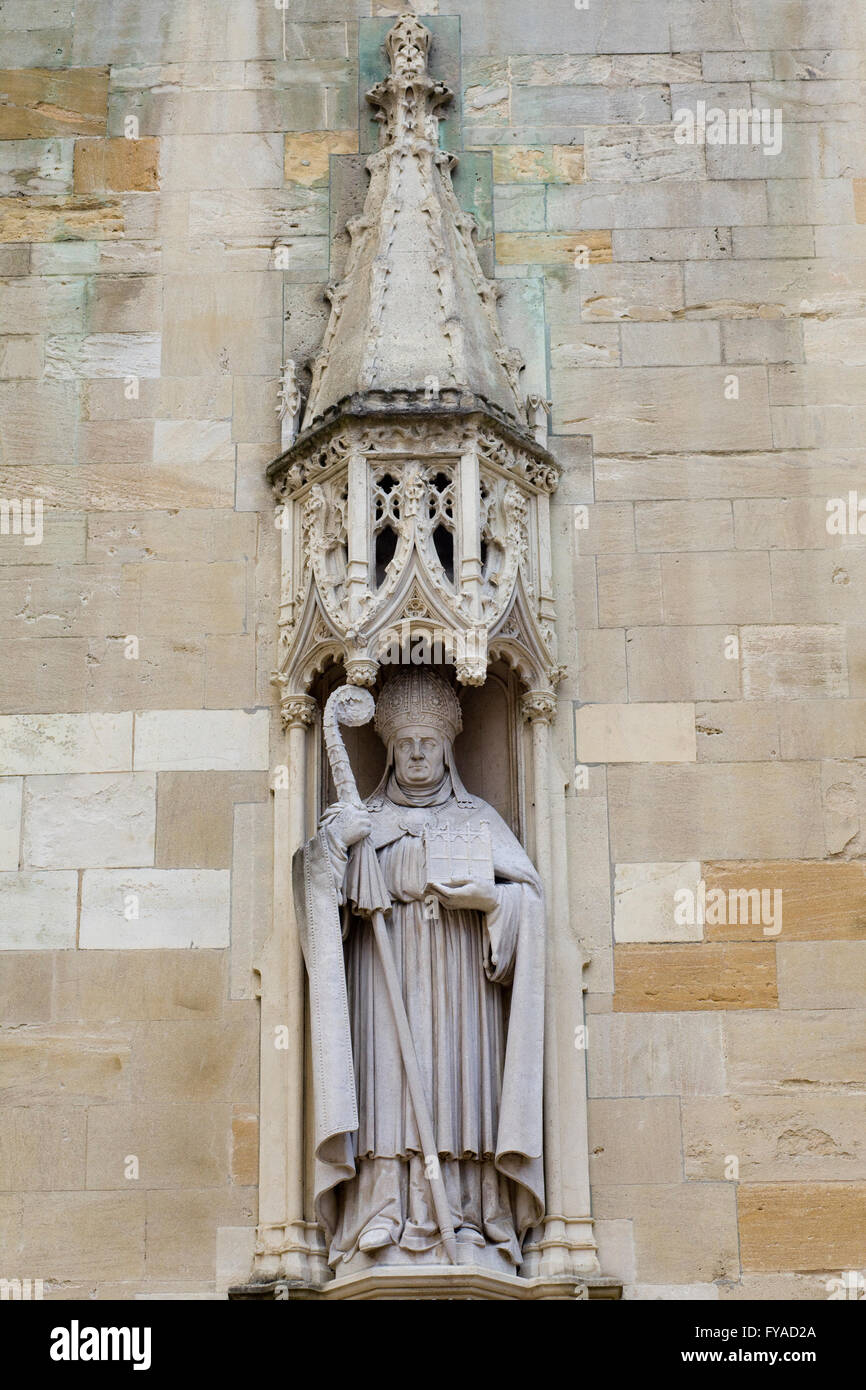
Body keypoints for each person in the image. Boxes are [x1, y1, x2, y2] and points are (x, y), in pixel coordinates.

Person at [296, 667, 545, 1274]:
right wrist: (333, 847)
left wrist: (489, 902)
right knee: (386, 1090)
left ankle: (467, 1212)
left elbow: (532, 906)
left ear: (448, 746)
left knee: (458, 1089)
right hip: (380, 980)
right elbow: (313, 903)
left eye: (427, 743)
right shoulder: (361, 821)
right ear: (386, 748)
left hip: (463, 984)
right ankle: (379, 1208)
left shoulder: (480, 819)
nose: (414, 754)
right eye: (403, 743)